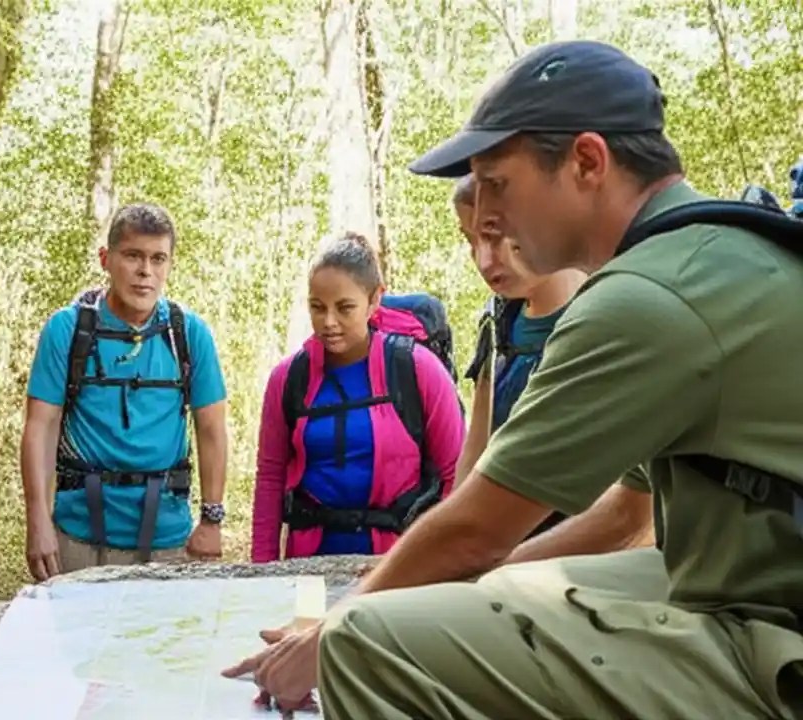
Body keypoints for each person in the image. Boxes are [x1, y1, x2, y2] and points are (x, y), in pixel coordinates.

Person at [224, 40, 803, 719]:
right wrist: (446, 591)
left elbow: (477, 531)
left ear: (587, 162)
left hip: (770, 636)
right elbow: (624, 517)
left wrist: (329, 633)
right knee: (440, 596)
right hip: (736, 590)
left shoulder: (643, 299)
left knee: (365, 642)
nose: (488, 213)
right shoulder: (716, 254)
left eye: (498, 181)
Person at [21, 202, 227, 579]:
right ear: (106, 258)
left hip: (167, 537)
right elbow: (41, 426)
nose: (145, 271)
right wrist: (37, 519)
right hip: (77, 535)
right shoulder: (67, 330)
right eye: (133, 256)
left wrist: (211, 520)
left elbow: (211, 429)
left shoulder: (189, 334)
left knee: (162, 639)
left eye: (158, 259)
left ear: (169, 264)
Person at [454, 174, 655, 561]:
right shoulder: (497, 326)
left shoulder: (615, 320)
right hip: (498, 564)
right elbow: (474, 459)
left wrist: (500, 566)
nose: (482, 259)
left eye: (493, 234)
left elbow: (633, 508)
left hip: (587, 570)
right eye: (470, 240)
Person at [250, 232, 464, 561]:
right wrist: (261, 573)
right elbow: (270, 477)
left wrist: (444, 562)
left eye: (344, 308)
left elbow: (455, 474)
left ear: (374, 300)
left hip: (398, 562)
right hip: (308, 565)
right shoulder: (288, 379)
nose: (329, 322)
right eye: (317, 307)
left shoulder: (419, 370)